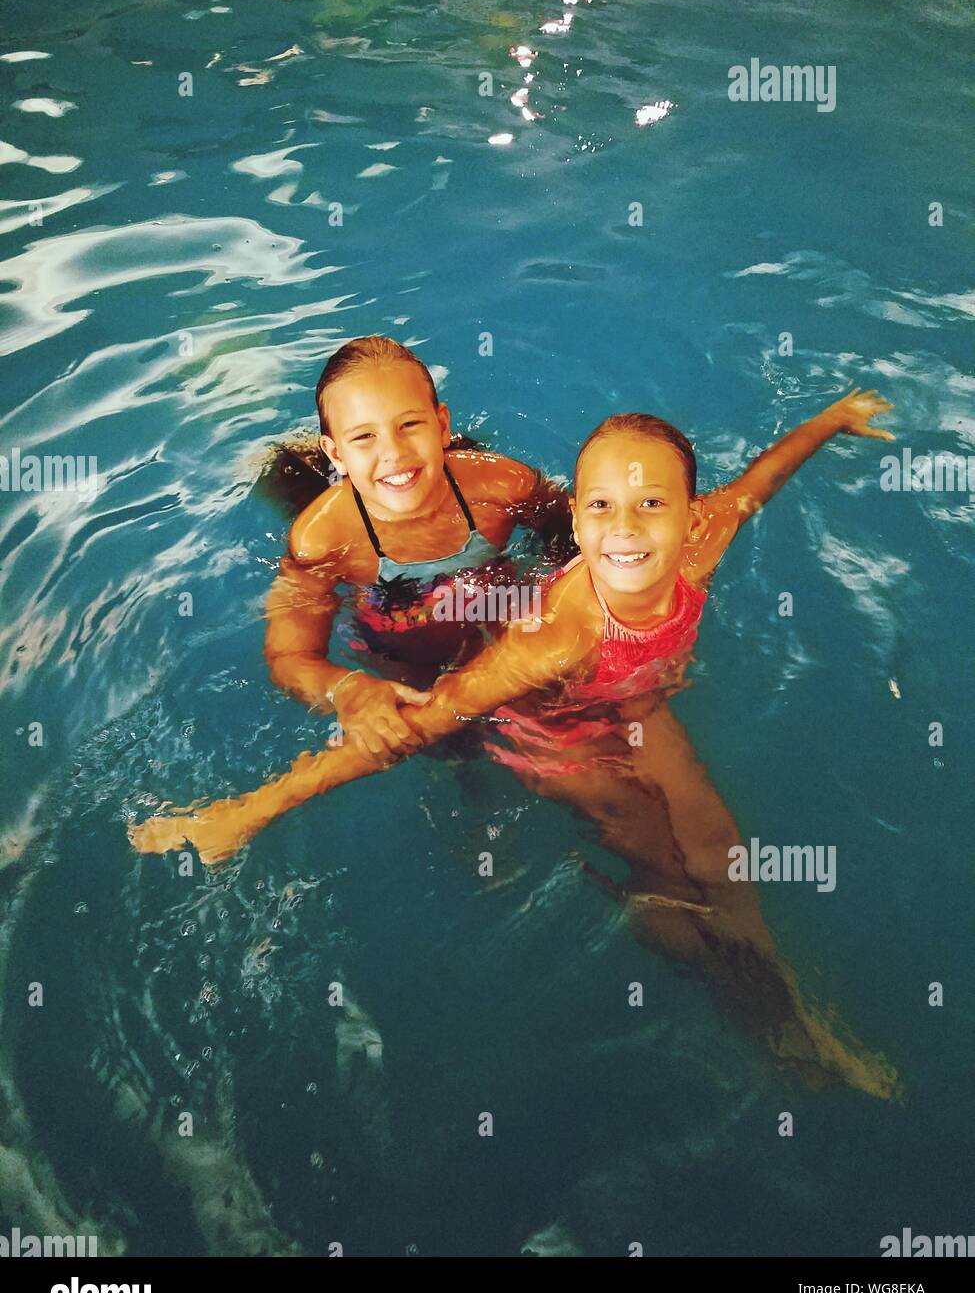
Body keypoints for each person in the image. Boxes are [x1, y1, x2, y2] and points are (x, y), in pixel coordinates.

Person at [131, 388, 901, 1097]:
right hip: (548, 727)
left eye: (650, 504)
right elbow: (422, 721)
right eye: (600, 506)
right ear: (578, 517)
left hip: (633, 706)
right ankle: (763, 1025)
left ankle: (776, 992)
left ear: (689, 513)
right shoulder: (554, 637)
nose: (624, 529)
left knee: (720, 852)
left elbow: (759, 482)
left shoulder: (705, 541)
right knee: (659, 862)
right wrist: (249, 811)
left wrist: (830, 421)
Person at [262, 334, 573, 759]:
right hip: (399, 639)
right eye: (364, 437)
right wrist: (347, 688)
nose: (393, 452)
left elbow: (576, 540)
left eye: (409, 424)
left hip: (498, 603)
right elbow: (290, 655)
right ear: (336, 454)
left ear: (442, 426)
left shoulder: (503, 488)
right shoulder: (323, 539)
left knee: (564, 695)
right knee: (445, 743)